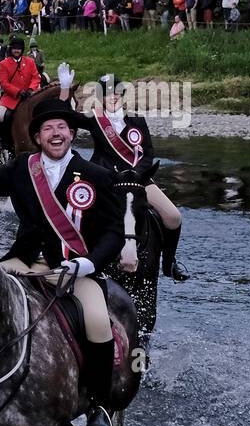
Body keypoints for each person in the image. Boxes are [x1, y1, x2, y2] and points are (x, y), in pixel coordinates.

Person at [0, 96, 125, 426]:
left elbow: (114, 232)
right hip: (22, 261)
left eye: (61, 128)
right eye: (47, 129)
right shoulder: (22, 168)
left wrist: (88, 263)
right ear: (37, 137)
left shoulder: (98, 176)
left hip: (75, 268)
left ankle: (99, 405)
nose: (55, 134)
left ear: (71, 134)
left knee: (98, 323)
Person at [71, 71, 188, 280]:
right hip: (106, 180)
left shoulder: (136, 119)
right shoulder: (94, 119)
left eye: (116, 93)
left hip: (136, 179)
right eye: (107, 94)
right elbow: (66, 116)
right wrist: (64, 91)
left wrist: (137, 174)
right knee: (79, 212)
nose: (113, 97)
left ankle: (169, 264)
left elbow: (148, 152)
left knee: (173, 216)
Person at [0, 36, 41, 143]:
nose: (17, 50)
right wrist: (18, 92)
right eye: (14, 48)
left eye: (19, 48)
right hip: (11, 97)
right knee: (0, 116)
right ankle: (2, 140)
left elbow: (36, 77)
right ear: (11, 49)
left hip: (29, 96)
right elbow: (4, 83)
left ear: (22, 49)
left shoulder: (30, 61)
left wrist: (30, 89)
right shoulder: (4, 63)